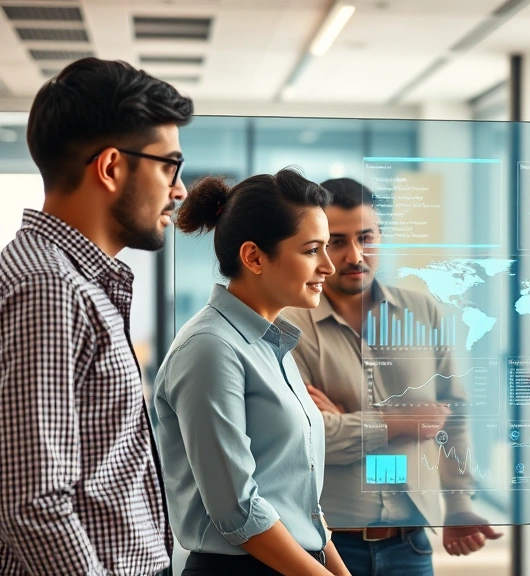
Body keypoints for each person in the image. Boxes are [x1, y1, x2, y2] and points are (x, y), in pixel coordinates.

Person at [0, 57, 192, 575]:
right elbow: (34, 502)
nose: (180, 190)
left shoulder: (78, 283)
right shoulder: (49, 288)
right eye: (168, 166)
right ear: (110, 167)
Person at [281, 177, 501, 576]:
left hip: (410, 546)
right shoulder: (288, 327)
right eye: (337, 241)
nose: (354, 255)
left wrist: (458, 503)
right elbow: (305, 438)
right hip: (325, 547)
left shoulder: (424, 312)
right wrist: (402, 421)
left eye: (366, 238)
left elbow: (453, 414)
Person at [153, 168, 349, 575]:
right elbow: (238, 509)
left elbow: (300, 505)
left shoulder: (271, 344)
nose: (328, 266)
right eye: (312, 250)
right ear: (254, 257)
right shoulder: (210, 348)